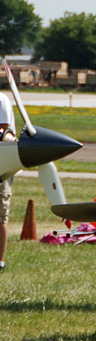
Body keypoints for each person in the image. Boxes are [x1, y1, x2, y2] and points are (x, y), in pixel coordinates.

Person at [0, 90, 15, 271]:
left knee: (0, 215)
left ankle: (0, 260)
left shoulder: (1, 100)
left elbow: (3, 131)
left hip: (1, 164)